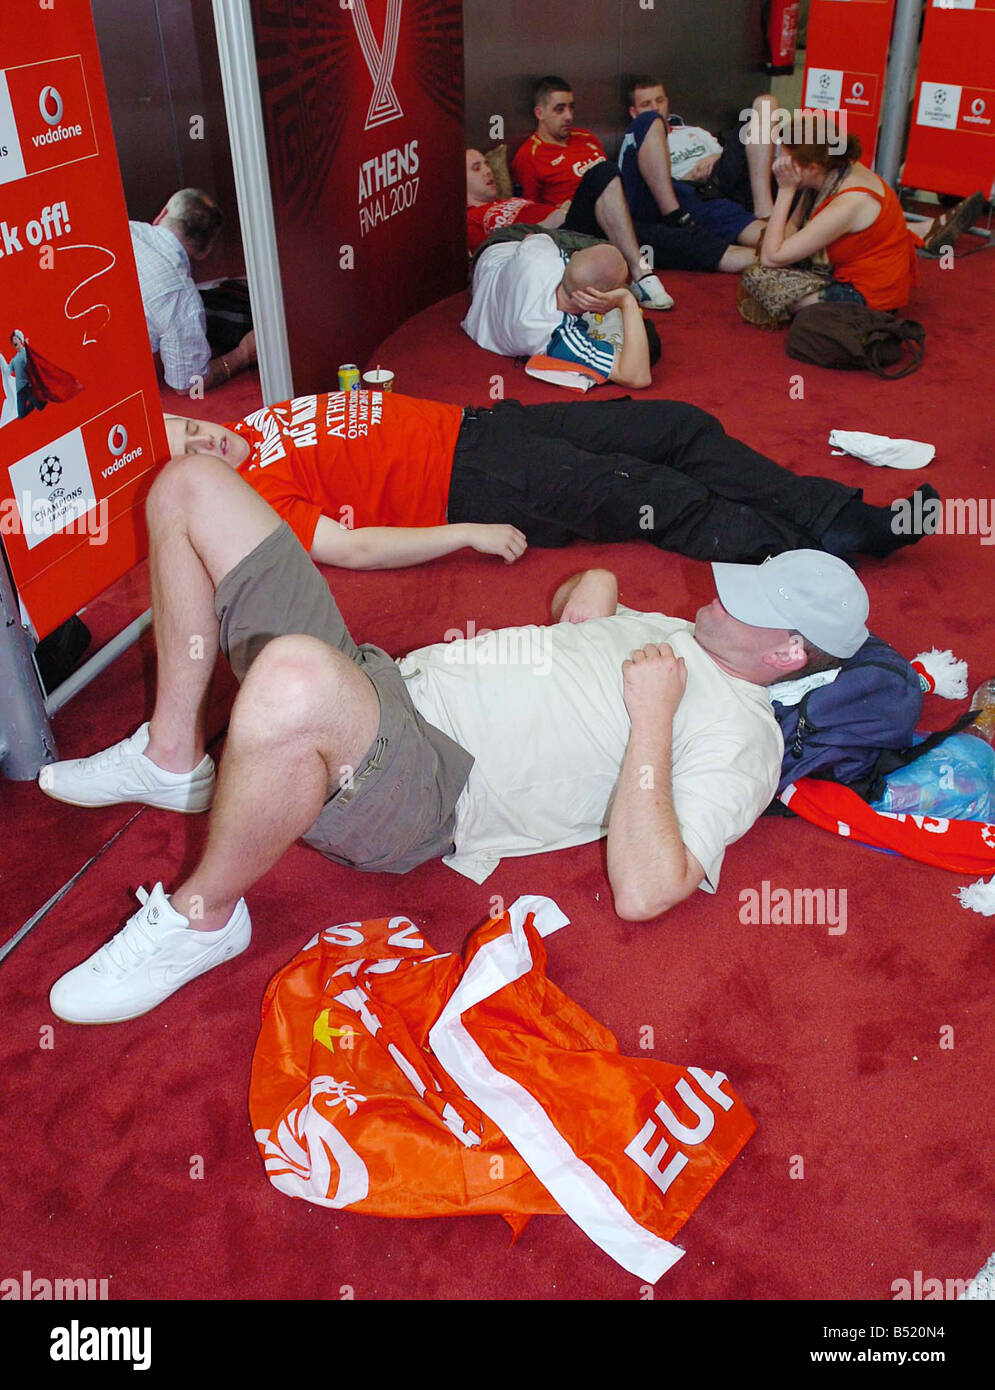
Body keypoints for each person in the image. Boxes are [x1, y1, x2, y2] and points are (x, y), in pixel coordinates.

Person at [38, 440, 872, 1021]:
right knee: (191, 484)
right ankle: (170, 757)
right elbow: (571, 619)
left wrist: (651, 722)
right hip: (382, 685)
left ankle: (205, 919)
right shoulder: (691, 636)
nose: (723, 592)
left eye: (749, 605)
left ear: (787, 652)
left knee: (290, 675)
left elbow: (649, 888)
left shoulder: (743, 738)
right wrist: (596, 584)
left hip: (430, 788)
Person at [164, 393, 940, 568]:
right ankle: (813, 555)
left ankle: (829, 514)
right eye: (194, 449)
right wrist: (464, 532)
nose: (211, 437)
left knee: (674, 425)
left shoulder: (253, 423)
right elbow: (349, 548)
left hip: (481, 422)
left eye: (194, 424)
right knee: (650, 494)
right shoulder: (248, 494)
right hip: (468, 483)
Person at [510, 76, 755, 274]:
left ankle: (774, 244)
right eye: (559, 109)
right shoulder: (529, 155)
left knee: (690, 197)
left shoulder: (586, 138)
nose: (569, 116)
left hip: (625, 202)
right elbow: (532, 211)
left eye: (571, 107)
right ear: (539, 112)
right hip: (589, 220)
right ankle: (775, 258)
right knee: (682, 241)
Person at [465, 147, 672, 308]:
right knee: (602, 172)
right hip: (550, 241)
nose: (487, 171)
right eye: (476, 168)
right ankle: (642, 275)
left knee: (669, 239)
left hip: (575, 226)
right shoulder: (471, 217)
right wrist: (545, 225)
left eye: (486, 165)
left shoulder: (513, 200)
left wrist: (562, 209)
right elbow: (490, 255)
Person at [462, 238, 653, 388]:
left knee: (604, 255)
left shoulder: (543, 257)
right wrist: (626, 300)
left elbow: (531, 237)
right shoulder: (557, 336)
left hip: (496, 253)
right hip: (491, 265)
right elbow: (637, 376)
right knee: (615, 249)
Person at [759, 133, 918, 312]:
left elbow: (770, 258)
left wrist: (785, 190)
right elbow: (793, 227)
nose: (778, 168)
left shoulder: (848, 202)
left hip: (868, 293)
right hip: (845, 270)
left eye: (786, 164)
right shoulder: (830, 167)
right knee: (764, 267)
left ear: (812, 168)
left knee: (765, 286)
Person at [129, 189, 256, 393]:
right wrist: (243, 354)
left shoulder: (123, 229)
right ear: (206, 251)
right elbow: (189, 385)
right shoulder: (184, 301)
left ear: (162, 214)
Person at [621, 78, 778, 236]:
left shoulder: (694, 131)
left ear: (667, 102)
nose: (655, 108)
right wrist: (687, 177)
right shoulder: (638, 144)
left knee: (766, 102)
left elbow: (729, 159)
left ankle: (764, 207)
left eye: (659, 101)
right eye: (646, 104)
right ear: (634, 112)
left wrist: (716, 157)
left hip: (722, 176)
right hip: (690, 192)